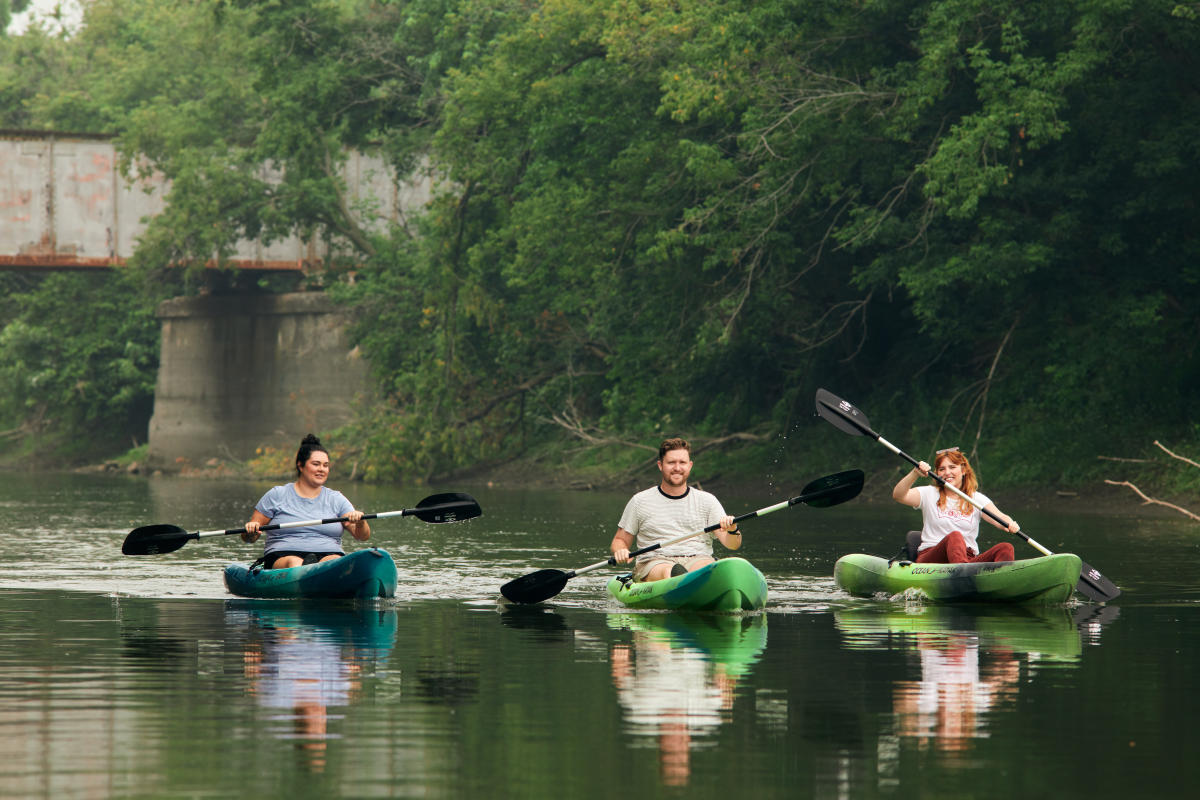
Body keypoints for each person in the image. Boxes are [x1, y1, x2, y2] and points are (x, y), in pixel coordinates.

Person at [610, 437, 741, 581]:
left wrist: (732, 529)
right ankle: (683, 583)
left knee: (704, 568)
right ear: (660, 465)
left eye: (682, 463)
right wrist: (621, 550)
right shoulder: (639, 501)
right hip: (655, 562)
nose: (677, 468)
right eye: (671, 463)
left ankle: (700, 582)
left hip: (698, 559)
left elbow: (733, 544)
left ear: (690, 465)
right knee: (669, 571)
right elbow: (619, 540)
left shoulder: (708, 501)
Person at [242, 434, 371, 569]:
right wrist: (251, 530)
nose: (321, 469)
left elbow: (362, 536)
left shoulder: (336, 499)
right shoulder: (276, 495)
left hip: (328, 555)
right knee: (295, 562)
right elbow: (248, 538)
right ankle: (306, 575)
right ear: (301, 465)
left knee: (334, 560)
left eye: (325, 465)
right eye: (316, 464)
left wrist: (361, 521)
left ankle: (321, 574)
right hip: (284, 556)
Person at [891, 447, 1018, 563]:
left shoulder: (976, 499)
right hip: (932, 558)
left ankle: (998, 579)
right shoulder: (928, 493)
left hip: (967, 558)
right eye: (942, 469)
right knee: (955, 536)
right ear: (937, 473)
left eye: (952, 467)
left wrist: (1010, 523)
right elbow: (899, 495)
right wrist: (915, 473)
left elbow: (1000, 518)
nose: (947, 472)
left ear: (963, 470)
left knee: (1006, 548)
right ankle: (963, 575)